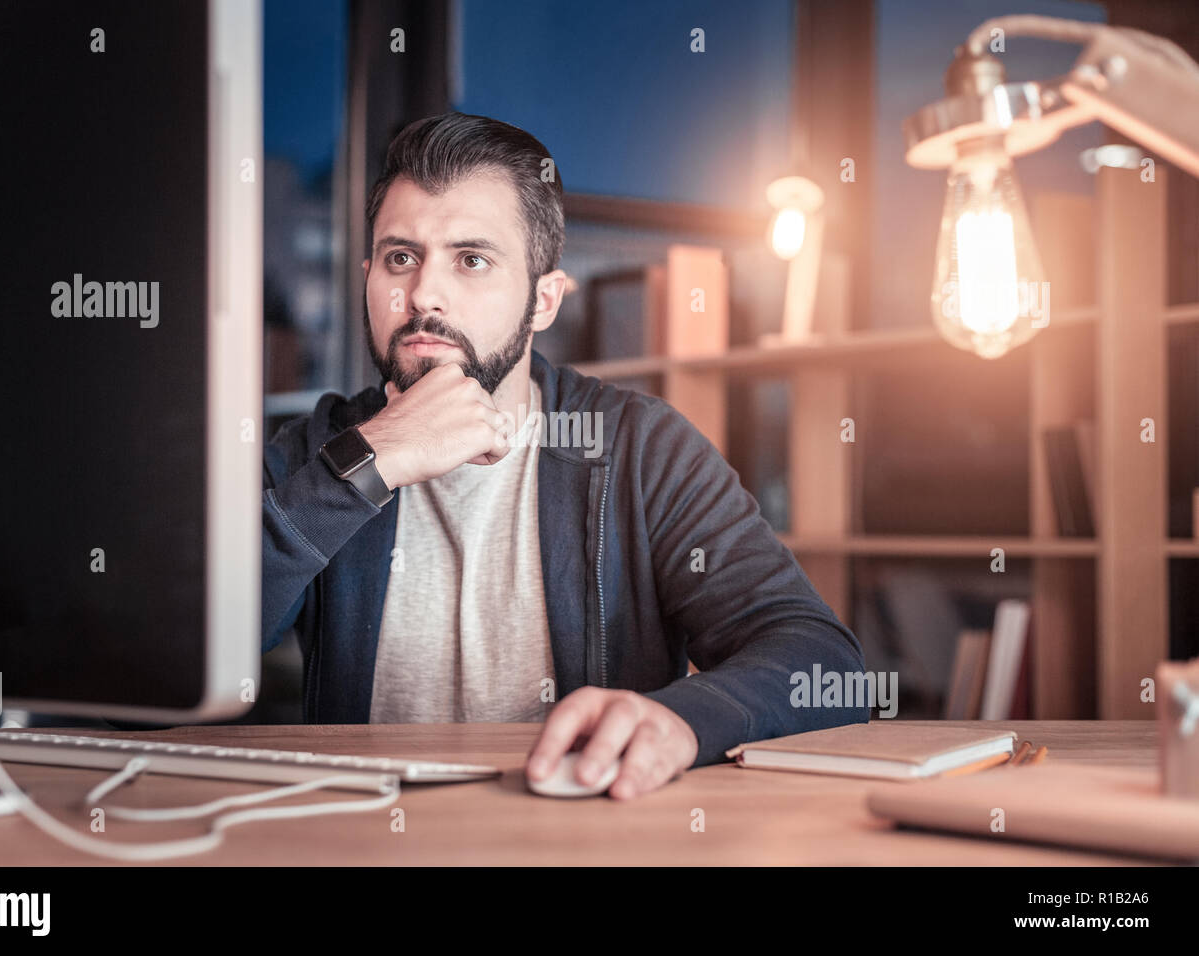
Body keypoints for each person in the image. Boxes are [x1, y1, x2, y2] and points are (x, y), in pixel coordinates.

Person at [262, 111, 867, 800]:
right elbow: (177, 645)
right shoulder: (317, 449)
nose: (424, 294)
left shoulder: (644, 450)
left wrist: (680, 720)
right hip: (362, 839)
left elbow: (822, 662)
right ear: (369, 277)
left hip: (585, 836)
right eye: (401, 258)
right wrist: (366, 467)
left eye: (472, 260)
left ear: (543, 299)